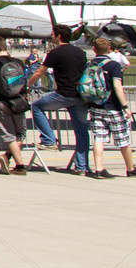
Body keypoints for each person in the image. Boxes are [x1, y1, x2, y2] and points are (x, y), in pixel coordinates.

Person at [30, 29, 93, 174]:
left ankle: (49, 139)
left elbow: (40, 71)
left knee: (36, 107)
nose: (51, 37)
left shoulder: (55, 53)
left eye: (52, 34)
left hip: (64, 94)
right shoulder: (80, 52)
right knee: (82, 131)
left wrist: (27, 85)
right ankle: (82, 166)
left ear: (58, 36)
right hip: (80, 96)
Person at [86, 36, 136, 179]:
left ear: (94, 49)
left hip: (96, 106)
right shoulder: (113, 65)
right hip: (113, 107)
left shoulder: (90, 64)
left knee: (99, 138)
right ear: (109, 49)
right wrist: (125, 106)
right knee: (123, 139)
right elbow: (117, 86)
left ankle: (99, 168)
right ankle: (130, 168)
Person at [0, 36, 29, 174]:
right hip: (19, 100)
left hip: (2, 100)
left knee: (9, 134)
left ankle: (19, 165)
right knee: (21, 133)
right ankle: (7, 156)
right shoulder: (18, 62)